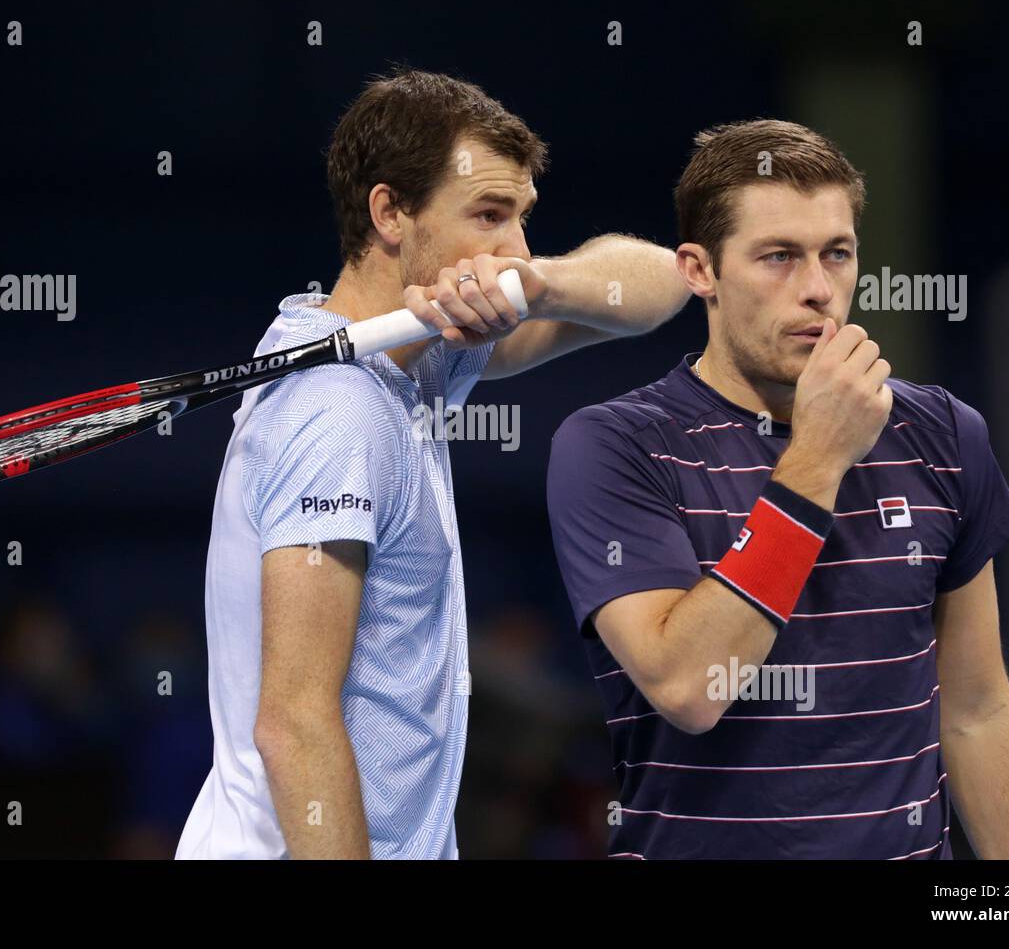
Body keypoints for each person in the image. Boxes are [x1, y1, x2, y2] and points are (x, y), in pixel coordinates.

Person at [176, 68, 690, 859]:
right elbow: (295, 721)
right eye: (488, 215)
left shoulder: (422, 360)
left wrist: (539, 284)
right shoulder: (337, 410)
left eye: (522, 217)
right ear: (390, 213)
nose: (514, 249)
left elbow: (660, 288)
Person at [546, 119, 1009, 859]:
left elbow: (977, 708)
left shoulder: (943, 431)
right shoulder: (614, 445)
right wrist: (816, 459)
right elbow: (690, 688)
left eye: (836, 254)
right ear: (699, 270)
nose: (817, 290)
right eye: (778, 256)